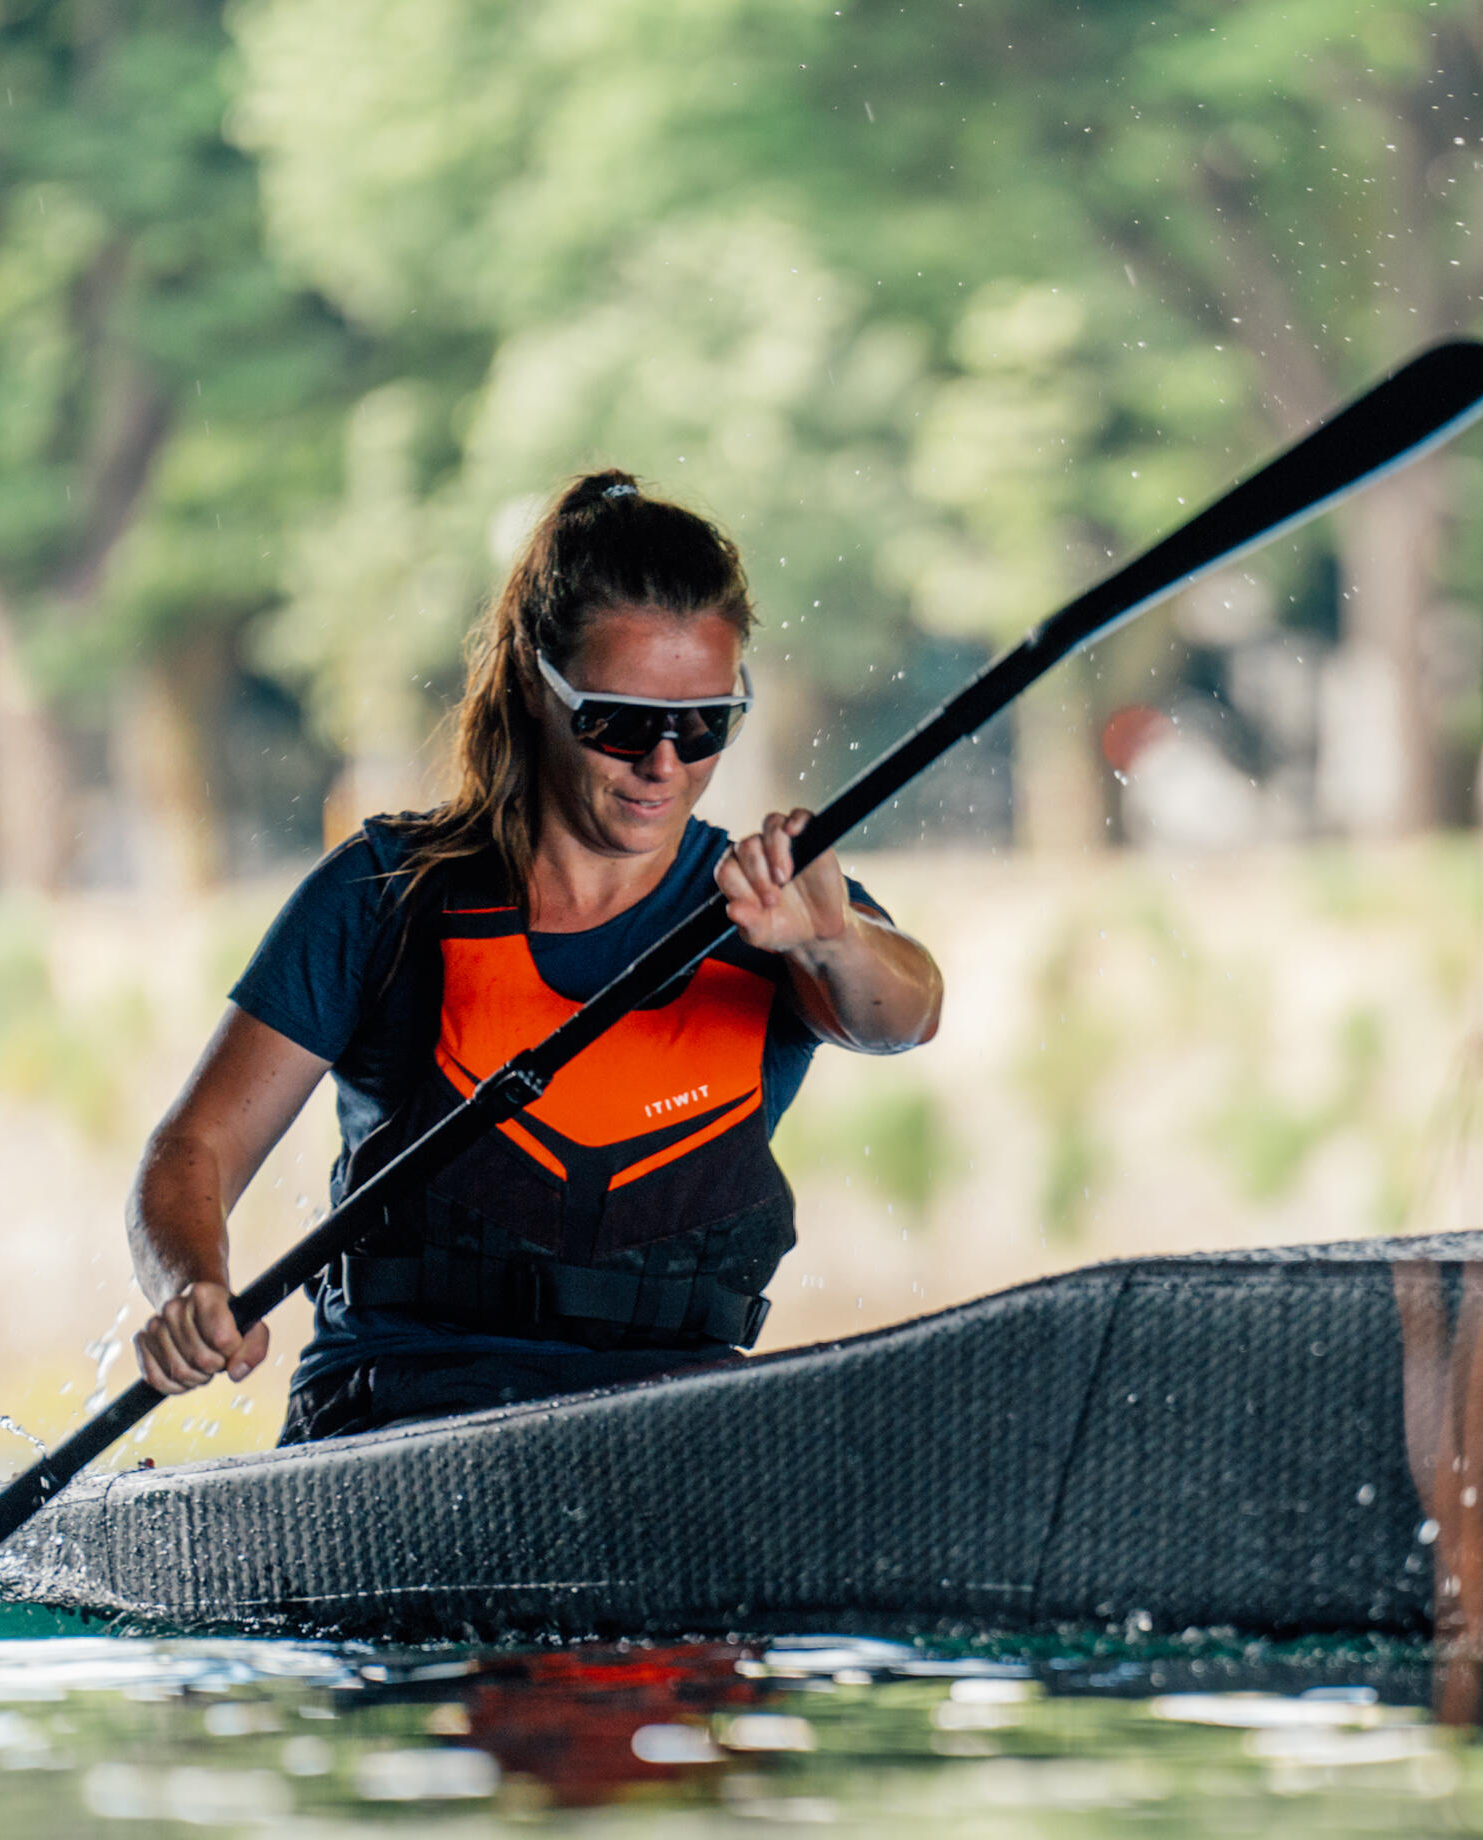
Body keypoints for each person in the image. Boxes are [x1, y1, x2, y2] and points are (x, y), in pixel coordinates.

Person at [127, 470, 943, 1442]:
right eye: (621, 721)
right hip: (403, 1417)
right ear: (533, 684)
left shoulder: (780, 907)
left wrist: (831, 939)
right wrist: (192, 1285)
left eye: (704, 725)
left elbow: (910, 1013)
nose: (664, 764)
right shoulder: (383, 893)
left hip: (675, 1423)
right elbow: (195, 1149)